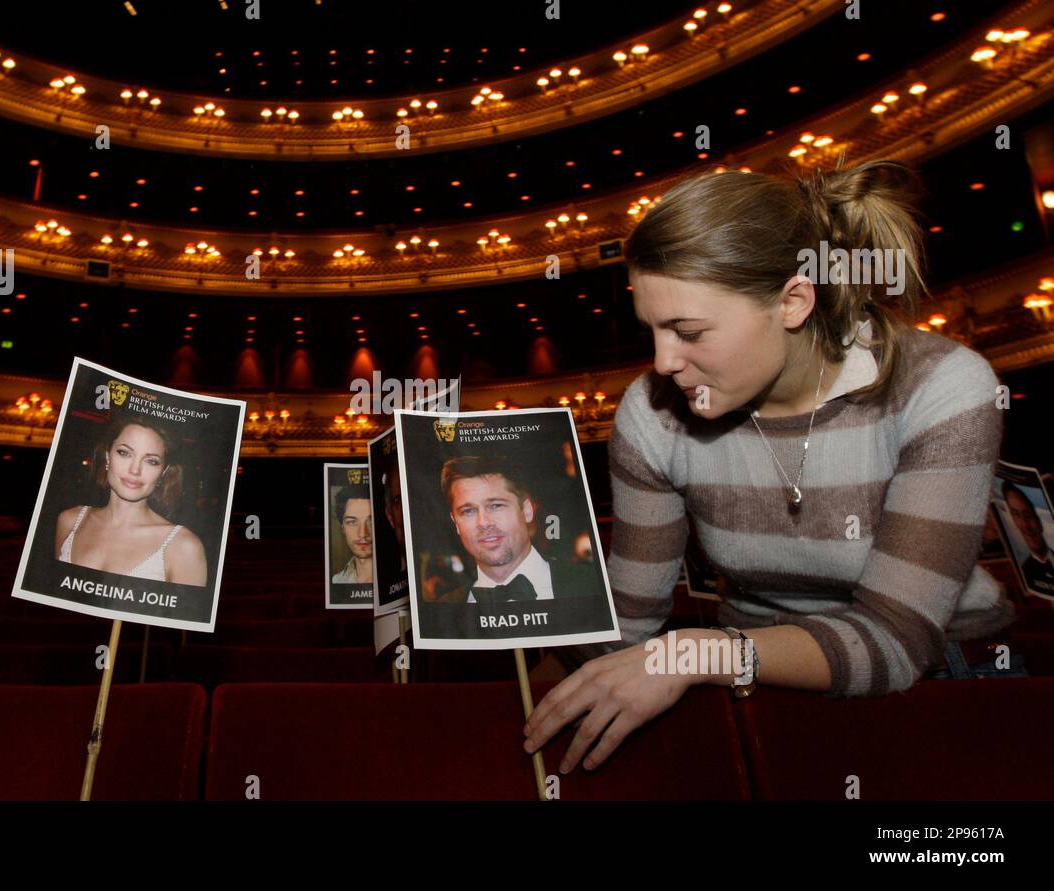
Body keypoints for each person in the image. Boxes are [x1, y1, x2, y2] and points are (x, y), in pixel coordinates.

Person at [525, 160, 1017, 775]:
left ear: (792, 301)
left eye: (688, 331)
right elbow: (629, 623)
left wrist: (697, 655)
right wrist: (510, 627)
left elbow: (895, 643)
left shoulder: (941, 387)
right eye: (651, 330)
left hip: (949, 677)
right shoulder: (653, 413)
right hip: (742, 674)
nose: (662, 362)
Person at [55, 415, 208, 586]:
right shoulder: (69, 520)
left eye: (151, 461)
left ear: (163, 472)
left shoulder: (184, 546)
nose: (135, 470)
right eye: (124, 453)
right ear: (107, 457)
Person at [440, 454, 597, 604]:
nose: (483, 522)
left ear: (527, 510)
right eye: (468, 511)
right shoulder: (443, 611)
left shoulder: (592, 585)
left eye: (496, 506)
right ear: (455, 523)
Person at [1000, 481, 1054, 598]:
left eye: (1028, 515)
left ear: (1039, 522)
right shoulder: (1025, 571)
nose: (1025, 525)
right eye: (1016, 514)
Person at [331, 484, 374, 584]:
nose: (363, 533)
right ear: (343, 528)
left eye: (371, 522)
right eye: (352, 522)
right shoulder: (337, 581)